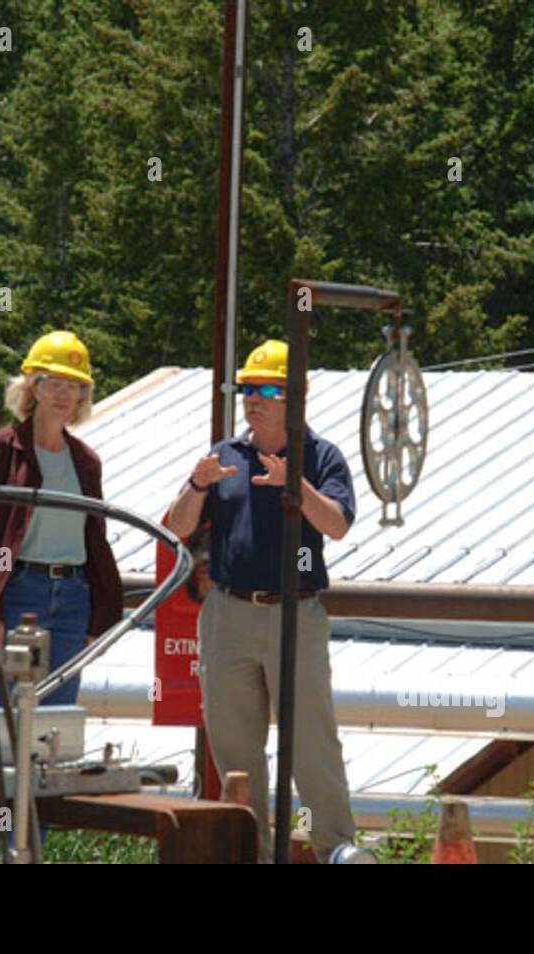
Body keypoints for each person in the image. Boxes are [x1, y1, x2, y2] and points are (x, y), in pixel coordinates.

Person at [166, 338, 359, 862]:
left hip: (297, 613)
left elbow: (337, 525)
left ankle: (336, 850)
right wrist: (196, 484)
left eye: (268, 388)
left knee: (313, 745)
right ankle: (245, 852)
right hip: (228, 613)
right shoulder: (224, 457)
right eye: (248, 388)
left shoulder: (320, 457)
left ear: (295, 398)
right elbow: (177, 529)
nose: (254, 398)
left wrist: (292, 483)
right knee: (234, 750)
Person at [0, 330, 123, 863]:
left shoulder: (85, 461)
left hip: (70, 597)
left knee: (48, 745)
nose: (62, 395)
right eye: (53, 382)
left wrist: (99, 610)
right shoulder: (1, 450)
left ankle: (28, 855)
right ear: (32, 385)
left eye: (73, 385)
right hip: (18, 592)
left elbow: (94, 540)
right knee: (0, 745)